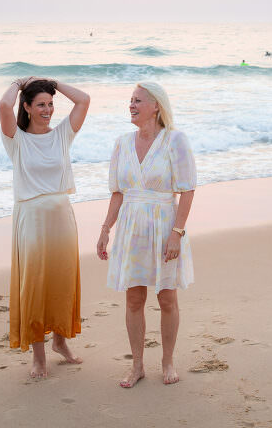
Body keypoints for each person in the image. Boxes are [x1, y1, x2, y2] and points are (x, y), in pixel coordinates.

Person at [96, 81, 197, 388]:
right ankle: (137, 365)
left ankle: (167, 361)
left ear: (156, 106)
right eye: (130, 100)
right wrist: (105, 229)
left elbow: (188, 190)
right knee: (134, 298)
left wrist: (177, 233)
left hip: (165, 225)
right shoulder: (122, 143)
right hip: (131, 228)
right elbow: (117, 193)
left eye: (138, 100)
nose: (131, 105)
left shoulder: (175, 141)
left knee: (166, 297)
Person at [0, 76, 90, 378]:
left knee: (62, 281)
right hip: (32, 219)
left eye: (50, 105)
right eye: (40, 105)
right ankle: (38, 356)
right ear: (26, 107)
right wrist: (18, 83)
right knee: (35, 284)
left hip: (62, 216)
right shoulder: (16, 139)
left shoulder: (62, 134)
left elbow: (83, 100)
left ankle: (61, 343)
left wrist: (54, 83)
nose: (48, 110)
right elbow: (3, 104)